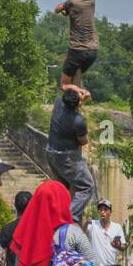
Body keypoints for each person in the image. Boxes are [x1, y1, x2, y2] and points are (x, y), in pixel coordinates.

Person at [45, 83, 97, 223]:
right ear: (78, 103)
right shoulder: (78, 121)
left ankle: (55, 215)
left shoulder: (58, 104)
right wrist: (83, 93)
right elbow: (83, 141)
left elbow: (66, 88)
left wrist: (80, 92)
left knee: (63, 188)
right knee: (86, 186)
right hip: (67, 158)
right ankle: (69, 216)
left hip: (50, 152)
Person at [55, 0, 100, 91]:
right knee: (77, 77)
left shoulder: (72, 2)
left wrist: (63, 10)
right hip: (92, 51)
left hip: (77, 50)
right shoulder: (92, 0)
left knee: (64, 85)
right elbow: (73, 11)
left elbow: (58, 9)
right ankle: (78, 95)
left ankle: (81, 92)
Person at [87, 197, 126, 266]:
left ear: (110, 212)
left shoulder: (117, 227)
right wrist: (86, 222)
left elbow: (123, 246)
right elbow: (82, 232)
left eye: (105, 209)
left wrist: (118, 246)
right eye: (100, 209)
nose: (102, 212)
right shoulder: (93, 224)